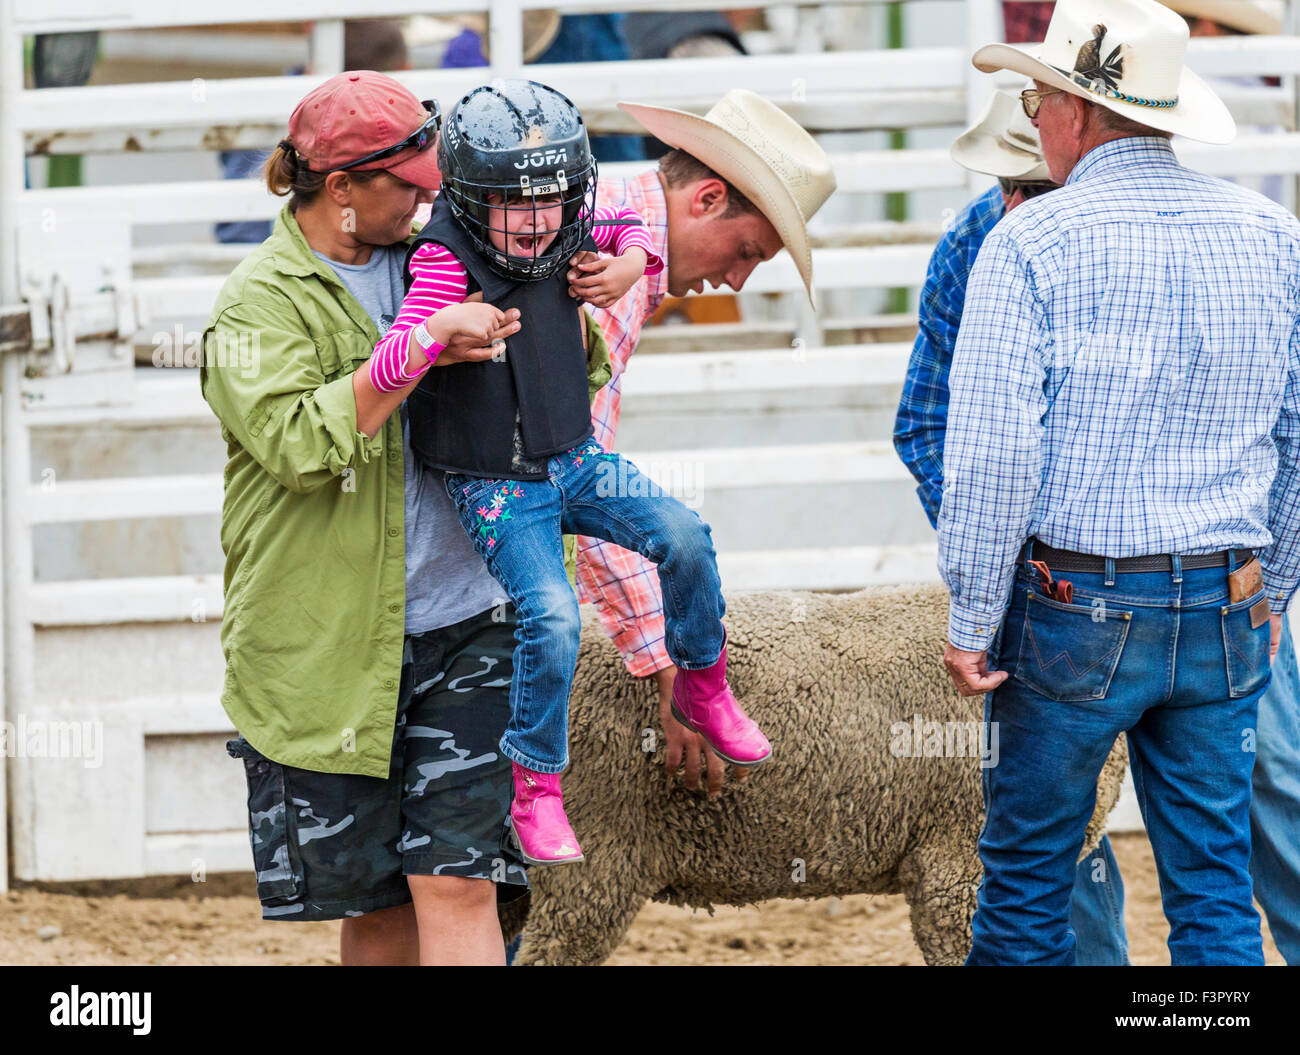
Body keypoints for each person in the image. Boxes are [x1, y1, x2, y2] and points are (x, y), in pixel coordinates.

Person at [200, 71, 611, 965]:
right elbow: (300, 443)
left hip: (472, 620)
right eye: (412, 183)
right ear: (339, 188)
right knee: (379, 904)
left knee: (461, 883)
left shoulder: (453, 252)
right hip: (332, 647)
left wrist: (578, 298)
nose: (433, 196)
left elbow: (574, 383)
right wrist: (420, 347)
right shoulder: (257, 303)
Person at [942, 0, 1300, 965]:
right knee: (1214, 891)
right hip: (1224, 597)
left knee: (1025, 886)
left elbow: (994, 453)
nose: (1033, 114)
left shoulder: (1029, 242)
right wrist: (1274, 584)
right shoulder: (1272, 236)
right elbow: (1296, 428)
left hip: (1076, 606)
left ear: (1073, 108)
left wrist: (973, 616)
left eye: (1035, 94)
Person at [369, 79, 772, 867]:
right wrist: (439, 334)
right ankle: (536, 783)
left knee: (685, 534)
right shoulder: (447, 264)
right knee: (550, 614)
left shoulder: (567, 224)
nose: (541, 222)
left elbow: (625, 233)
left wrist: (629, 265)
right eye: (519, 206)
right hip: (498, 480)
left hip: (573, 457)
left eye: (554, 203)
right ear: (475, 196)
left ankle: (704, 681)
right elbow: (390, 362)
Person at [894, 88, 1129, 967]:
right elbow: (926, 422)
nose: (1016, 205)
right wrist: (997, 567)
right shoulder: (976, 244)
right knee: (1052, 798)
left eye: (1037, 184)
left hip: (1182, 561)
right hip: (1060, 580)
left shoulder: (1150, 238)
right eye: (1006, 184)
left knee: (1269, 782)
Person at [569, 90, 837, 794]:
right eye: (746, 250)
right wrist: (664, 664)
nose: (737, 279)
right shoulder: (609, 268)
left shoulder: (596, 214)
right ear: (708, 198)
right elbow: (570, 469)